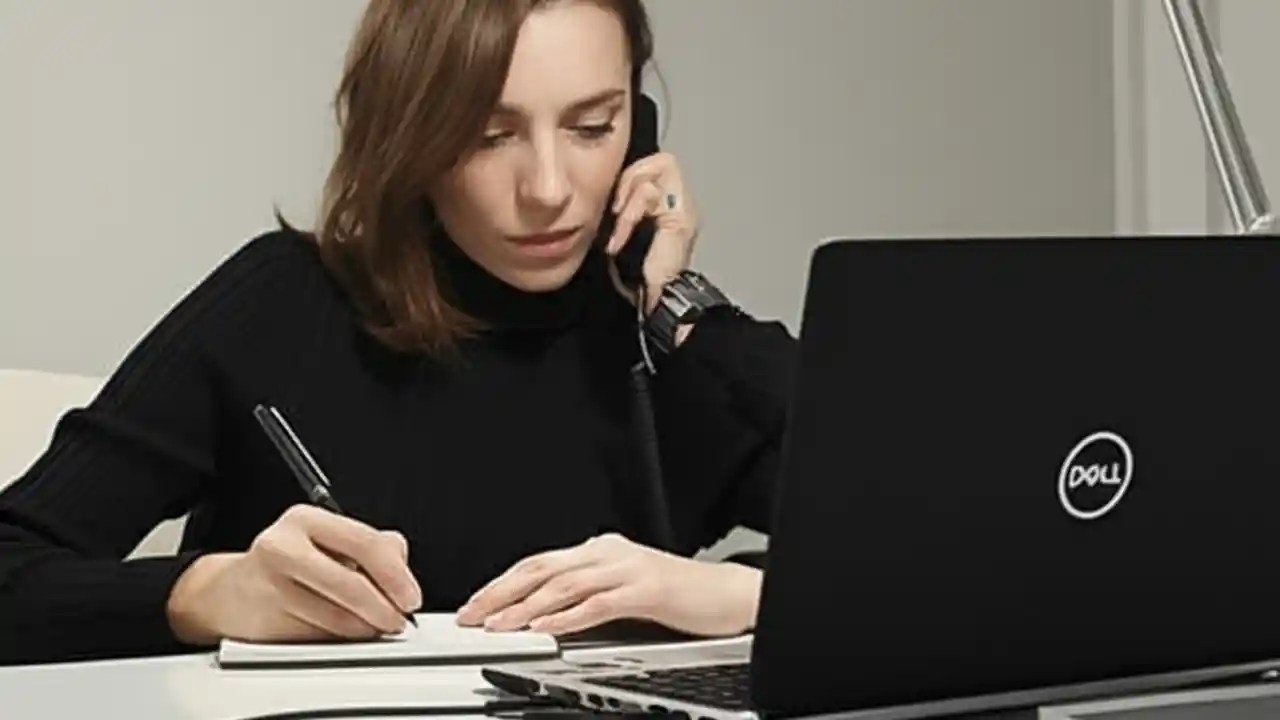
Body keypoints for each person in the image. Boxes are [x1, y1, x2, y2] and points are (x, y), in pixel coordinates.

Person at [0, 0, 796, 665]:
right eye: (490, 135)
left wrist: (738, 591)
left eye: (593, 127)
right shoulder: (282, 303)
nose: (551, 190)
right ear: (409, 131)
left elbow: (912, 544)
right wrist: (206, 593)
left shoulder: (670, 343)